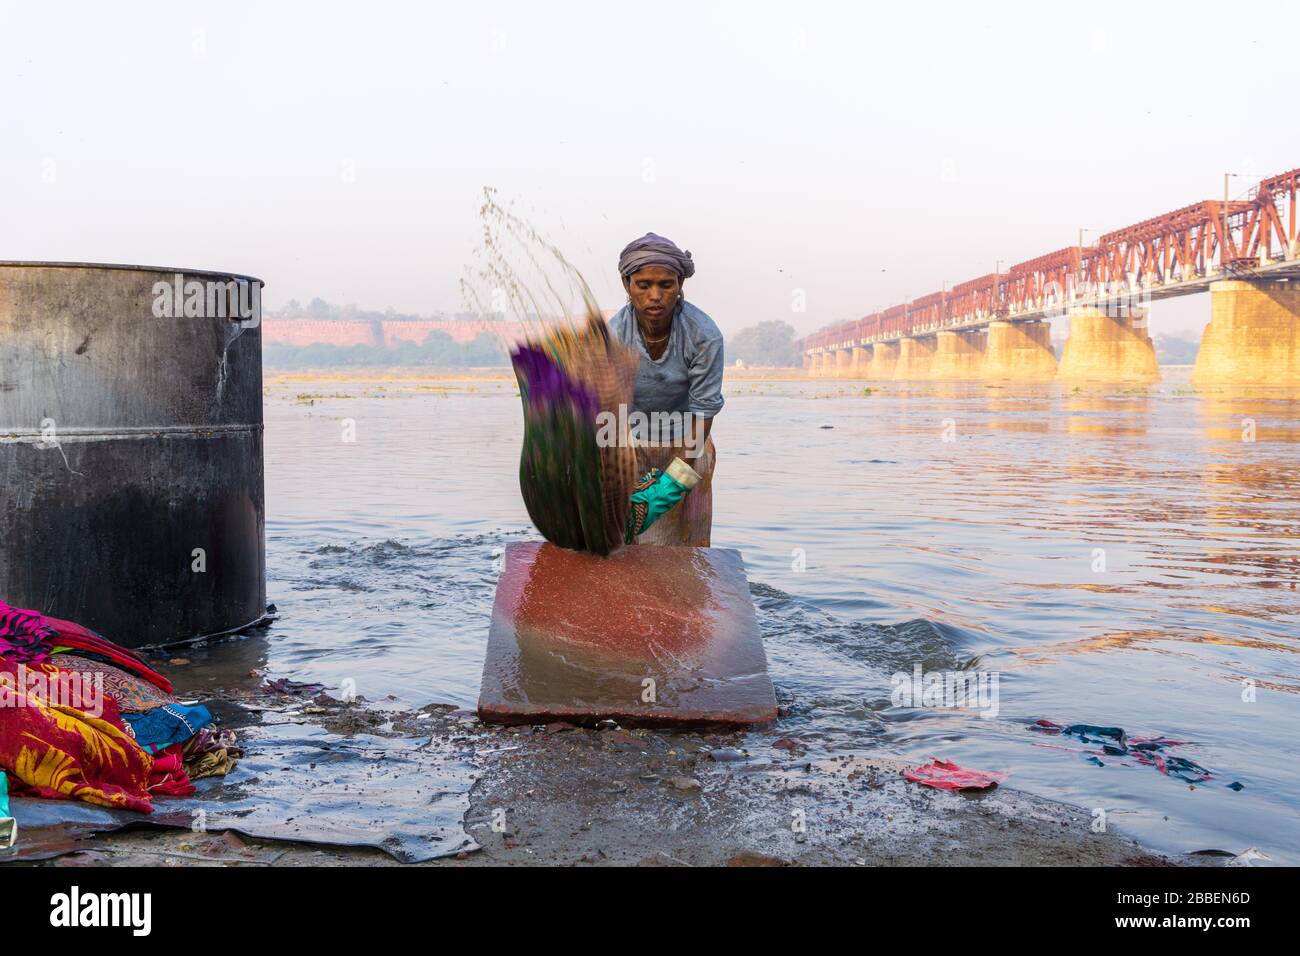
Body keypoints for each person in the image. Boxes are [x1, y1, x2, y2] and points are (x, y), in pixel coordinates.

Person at [607, 233, 724, 546]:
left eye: (665, 285)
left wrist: (674, 482)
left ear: (680, 285)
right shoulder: (614, 337)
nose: (655, 295)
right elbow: (608, 408)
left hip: (690, 444)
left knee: (691, 546)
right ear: (626, 285)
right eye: (643, 285)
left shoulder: (703, 336)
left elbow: (704, 411)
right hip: (632, 445)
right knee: (631, 544)